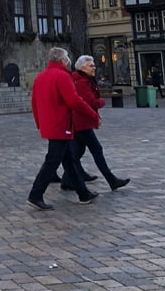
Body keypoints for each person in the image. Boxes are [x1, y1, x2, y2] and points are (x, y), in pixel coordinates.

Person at [27, 47, 100, 211]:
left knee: (70, 161)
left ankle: (83, 193)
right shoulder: (62, 76)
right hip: (60, 125)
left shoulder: (41, 77)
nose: (69, 60)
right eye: (67, 57)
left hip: (50, 125)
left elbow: (34, 103)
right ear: (62, 60)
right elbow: (74, 101)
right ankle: (35, 195)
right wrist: (93, 115)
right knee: (52, 161)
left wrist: (40, 123)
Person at [61, 55, 131, 192]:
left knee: (76, 152)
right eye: (91, 66)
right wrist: (101, 102)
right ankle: (111, 180)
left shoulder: (81, 80)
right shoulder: (82, 82)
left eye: (93, 65)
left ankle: (67, 179)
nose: (94, 68)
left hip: (78, 122)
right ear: (82, 68)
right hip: (82, 122)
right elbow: (90, 102)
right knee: (96, 150)